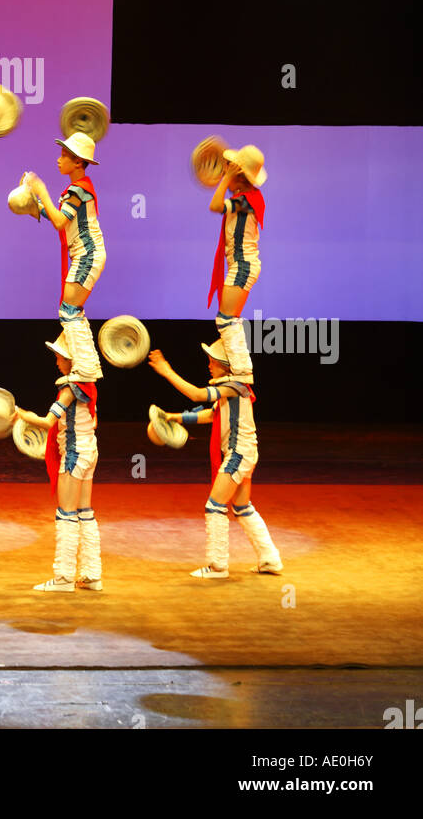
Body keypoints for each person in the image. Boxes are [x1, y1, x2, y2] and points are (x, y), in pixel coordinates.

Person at [148, 342, 282, 579]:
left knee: (214, 505)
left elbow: (197, 395)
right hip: (245, 451)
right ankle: (269, 558)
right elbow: (211, 414)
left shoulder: (234, 386)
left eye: (213, 361)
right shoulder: (231, 388)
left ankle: (217, 566)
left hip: (238, 452)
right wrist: (175, 417)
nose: (209, 365)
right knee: (241, 508)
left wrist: (166, 370)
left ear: (226, 366)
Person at [15, 340, 102, 592]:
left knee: (66, 513)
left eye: (59, 357)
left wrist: (23, 416)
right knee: (84, 511)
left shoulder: (70, 390)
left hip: (75, 455)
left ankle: (64, 578)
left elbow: (46, 422)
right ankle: (92, 574)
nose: (56, 361)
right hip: (90, 452)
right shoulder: (89, 388)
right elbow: (93, 423)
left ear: (71, 361)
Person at [23, 131, 106, 380]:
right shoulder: (77, 189)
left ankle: (86, 368)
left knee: (69, 311)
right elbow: (59, 217)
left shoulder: (78, 190)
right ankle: (86, 365)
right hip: (85, 256)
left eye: (64, 156)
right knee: (71, 311)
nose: (59, 160)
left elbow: (60, 221)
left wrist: (41, 189)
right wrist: (31, 203)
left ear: (78, 162)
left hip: (88, 255)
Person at [207, 144, 267, 379]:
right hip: (241, 265)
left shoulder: (246, 200)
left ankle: (241, 371)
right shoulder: (246, 198)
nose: (225, 175)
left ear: (239, 176)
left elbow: (215, 206)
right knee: (229, 320)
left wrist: (226, 179)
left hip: (243, 265)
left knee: (226, 320)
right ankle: (239, 369)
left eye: (230, 173)